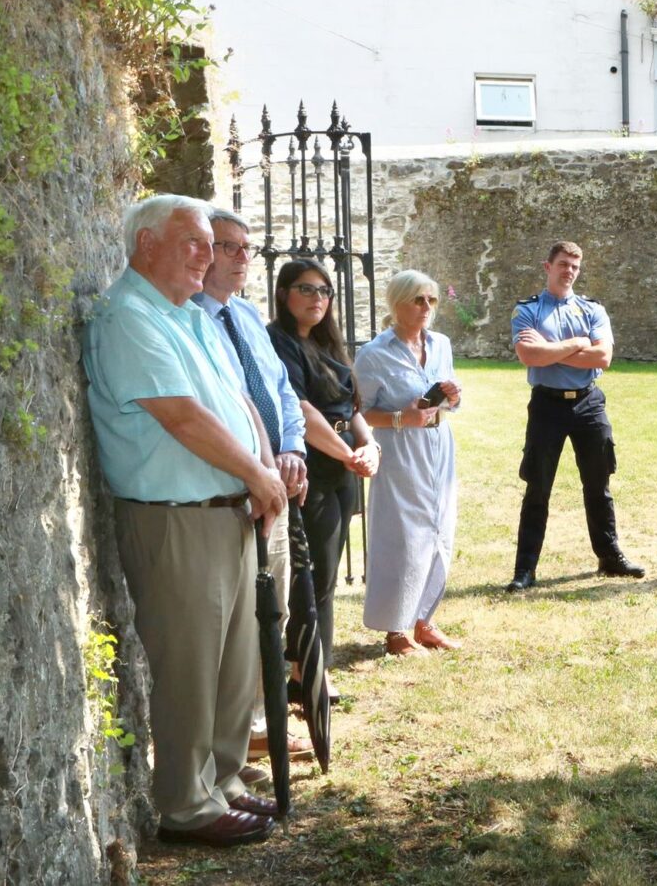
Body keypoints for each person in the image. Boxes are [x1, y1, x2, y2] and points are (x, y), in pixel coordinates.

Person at [83, 194, 287, 847]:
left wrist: (263, 463)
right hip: (174, 518)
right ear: (146, 243)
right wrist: (258, 475)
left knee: (232, 662)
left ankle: (222, 782)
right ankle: (185, 803)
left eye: (213, 244)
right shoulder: (127, 317)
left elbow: (238, 402)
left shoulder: (190, 314)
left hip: (227, 511)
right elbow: (181, 414)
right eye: (195, 242)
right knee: (189, 665)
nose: (209, 254)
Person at [191, 205, 315, 766]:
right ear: (200, 251)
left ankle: (265, 718)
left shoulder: (244, 317)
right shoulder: (188, 320)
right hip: (230, 490)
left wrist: (291, 448)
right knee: (236, 620)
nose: (243, 257)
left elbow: (283, 392)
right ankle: (236, 732)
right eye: (228, 246)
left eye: (247, 247)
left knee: (276, 610)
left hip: (277, 486)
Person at [267, 258, 380, 688]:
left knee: (326, 571)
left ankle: (310, 666)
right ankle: (308, 668)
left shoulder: (328, 343)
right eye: (306, 289)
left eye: (324, 291)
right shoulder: (278, 342)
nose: (317, 299)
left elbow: (350, 409)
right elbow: (300, 409)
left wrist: (370, 445)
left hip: (342, 463)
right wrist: (349, 454)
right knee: (313, 570)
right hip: (311, 466)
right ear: (284, 294)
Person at [506, 242, 643, 592]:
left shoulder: (592, 310)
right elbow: (528, 355)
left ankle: (609, 557)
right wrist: (577, 343)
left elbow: (602, 358)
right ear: (547, 266)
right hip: (546, 406)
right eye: (563, 264)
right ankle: (525, 570)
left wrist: (551, 351)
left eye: (575, 267)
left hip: (588, 404)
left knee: (599, 484)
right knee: (538, 487)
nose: (569, 271)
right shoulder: (528, 310)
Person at [354, 270, 463, 656]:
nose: (426, 308)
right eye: (418, 300)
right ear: (396, 303)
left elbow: (447, 398)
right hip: (400, 451)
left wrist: (451, 396)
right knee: (402, 536)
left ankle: (424, 620)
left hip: (438, 448)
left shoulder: (441, 344)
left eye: (432, 300)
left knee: (439, 531)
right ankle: (395, 629)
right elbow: (359, 413)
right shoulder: (374, 355)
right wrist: (402, 417)